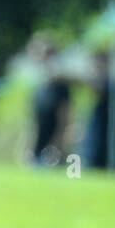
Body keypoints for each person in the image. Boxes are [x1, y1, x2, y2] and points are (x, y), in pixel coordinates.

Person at [29, 37, 70, 166]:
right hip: (37, 147)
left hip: (53, 148)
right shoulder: (39, 88)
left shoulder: (61, 88)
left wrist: (56, 146)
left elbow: (65, 120)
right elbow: (34, 123)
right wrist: (27, 148)